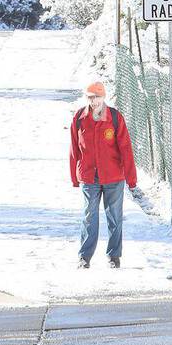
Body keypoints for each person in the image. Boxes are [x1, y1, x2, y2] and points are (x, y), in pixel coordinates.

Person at [69, 80, 137, 269]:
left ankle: (114, 256)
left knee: (114, 216)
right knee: (89, 216)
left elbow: (126, 148)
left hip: (113, 176)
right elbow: (74, 148)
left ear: (104, 97)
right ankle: (84, 257)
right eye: (91, 98)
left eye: (97, 97)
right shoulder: (79, 118)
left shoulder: (115, 118)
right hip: (89, 176)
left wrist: (131, 178)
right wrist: (74, 176)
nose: (94, 101)